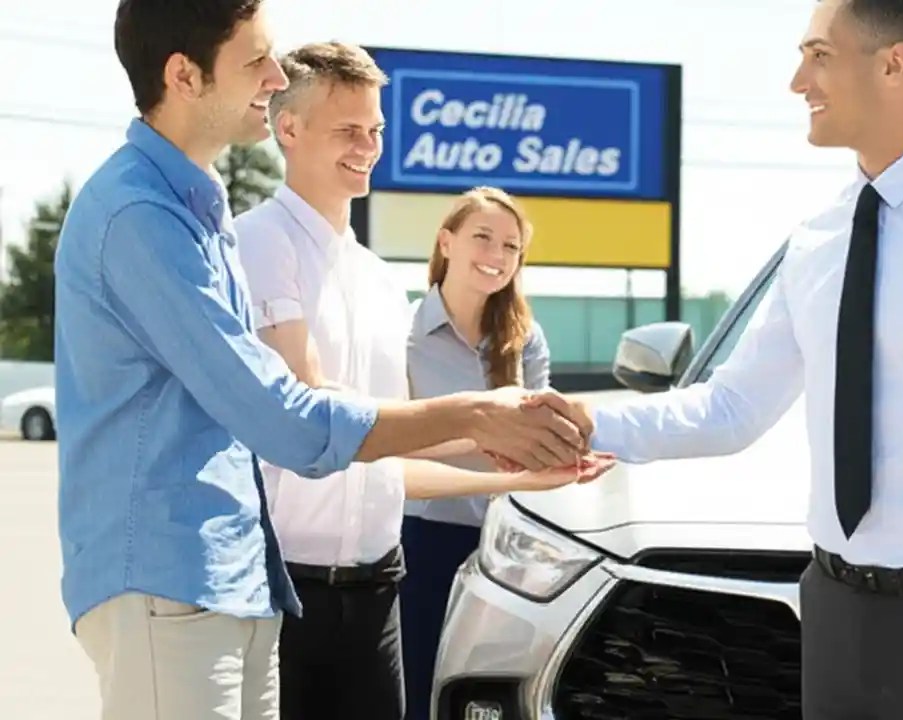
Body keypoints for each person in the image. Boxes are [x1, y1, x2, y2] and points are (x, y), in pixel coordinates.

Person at [53, 3, 592, 719]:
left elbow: (327, 441)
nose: (275, 79)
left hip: (240, 583)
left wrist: (515, 450)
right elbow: (284, 416)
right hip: (170, 580)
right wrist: (476, 415)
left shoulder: (196, 211)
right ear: (183, 75)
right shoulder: (143, 218)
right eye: (256, 61)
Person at [571, 1, 903, 718]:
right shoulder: (816, 239)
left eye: (819, 55)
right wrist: (582, 424)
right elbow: (731, 408)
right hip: (831, 613)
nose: (798, 81)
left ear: (895, 64)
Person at [232, 42, 613, 720]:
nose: (369, 145)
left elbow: (389, 455)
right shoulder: (258, 242)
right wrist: (478, 412)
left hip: (379, 592)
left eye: (376, 130)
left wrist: (523, 476)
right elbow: (313, 411)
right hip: (282, 593)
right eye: (349, 129)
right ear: (287, 129)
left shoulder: (380, 282)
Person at [397, 186, 557, 719]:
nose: (497, 256)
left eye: (511, 247)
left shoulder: (525, 340)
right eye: (483, 237)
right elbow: (393, 442)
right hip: (421, 543)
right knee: (417, 693)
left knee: (490, 700)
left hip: (505, 548)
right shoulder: (402, 336)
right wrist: (485, 433)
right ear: (446, 242)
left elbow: (538, 442)